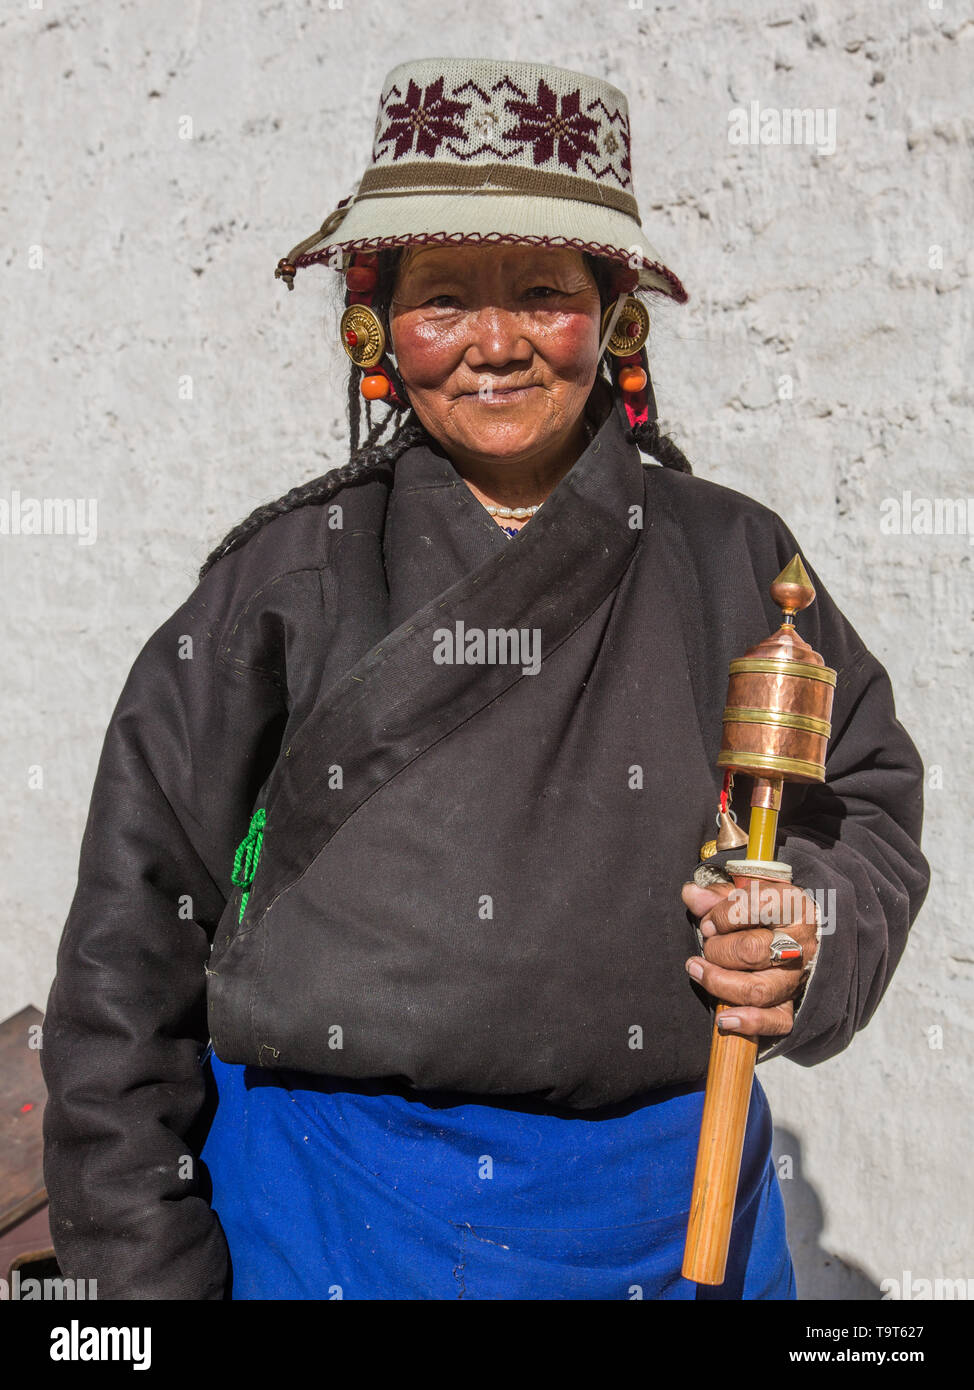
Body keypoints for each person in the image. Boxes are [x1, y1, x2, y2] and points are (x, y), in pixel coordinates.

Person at [40, 56, 929, 1301]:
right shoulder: (284, 581)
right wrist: (143, 1265)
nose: (495, 344)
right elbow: (129, 949)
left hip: (666, 1217)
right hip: (331, 1220)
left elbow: (859, 810)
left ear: (614, 315)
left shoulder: (732, 559)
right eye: (444, 297)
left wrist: (802, 935)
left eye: (545, 295)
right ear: (375, 323)